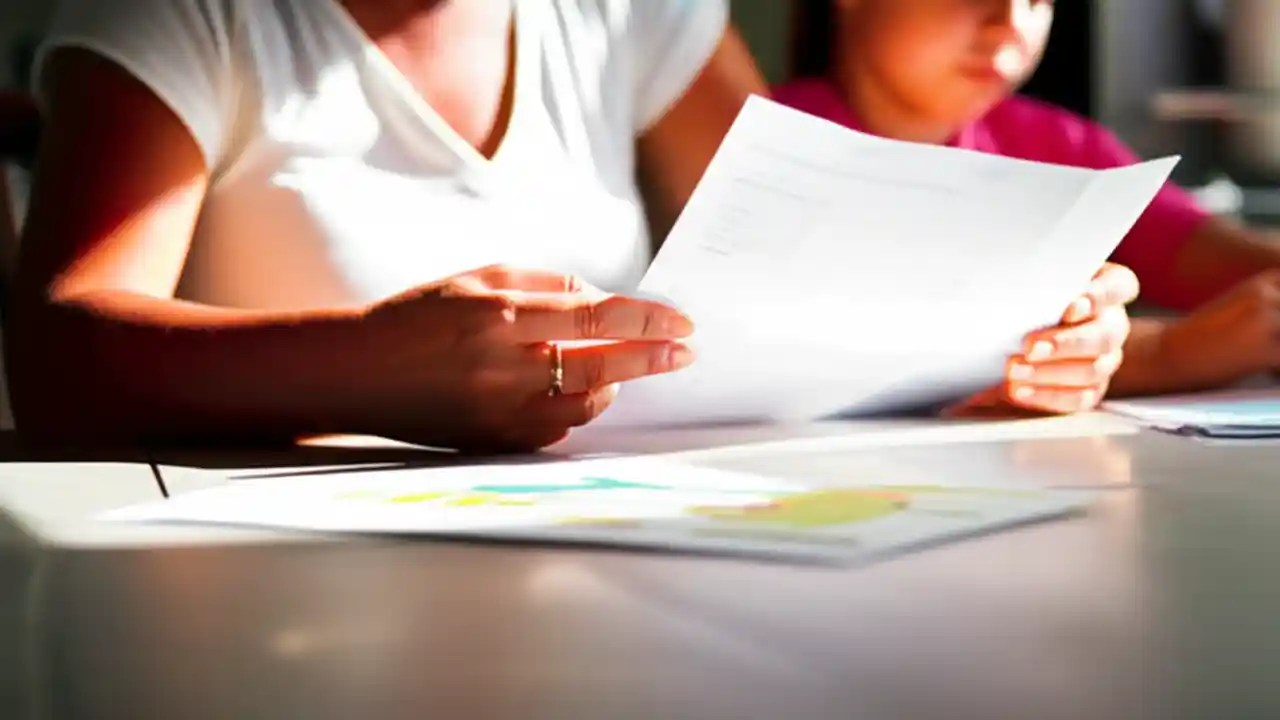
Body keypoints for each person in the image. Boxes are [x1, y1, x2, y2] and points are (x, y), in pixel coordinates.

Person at [6, 0, 1132, 451]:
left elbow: (825, 250)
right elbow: (56, 356)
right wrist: (365, 363)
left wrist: (1004, 331)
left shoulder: (627, 10)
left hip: (619, 540)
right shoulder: (184, 16)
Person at [777, 0, 1280, 399]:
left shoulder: (1057, 143)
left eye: (1038, 0)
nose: (1011, 23)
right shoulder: (759, 146)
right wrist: (1172, 352)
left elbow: (1194, 248)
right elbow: (875, 353)